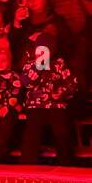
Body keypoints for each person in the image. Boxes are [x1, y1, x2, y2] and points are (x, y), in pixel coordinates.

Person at [19, 34, 78, 164]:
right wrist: (38, 66)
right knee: (32, 131)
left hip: (56, 104)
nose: (43, 52)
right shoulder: (29, 64)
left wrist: (61, 92)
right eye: (41, 49)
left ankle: (66, 164)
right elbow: (26, 82)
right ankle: (27, 165)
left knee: (62, 131)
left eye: (47, 49)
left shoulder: (59, 64)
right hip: (36, 104)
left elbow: (72, 83)